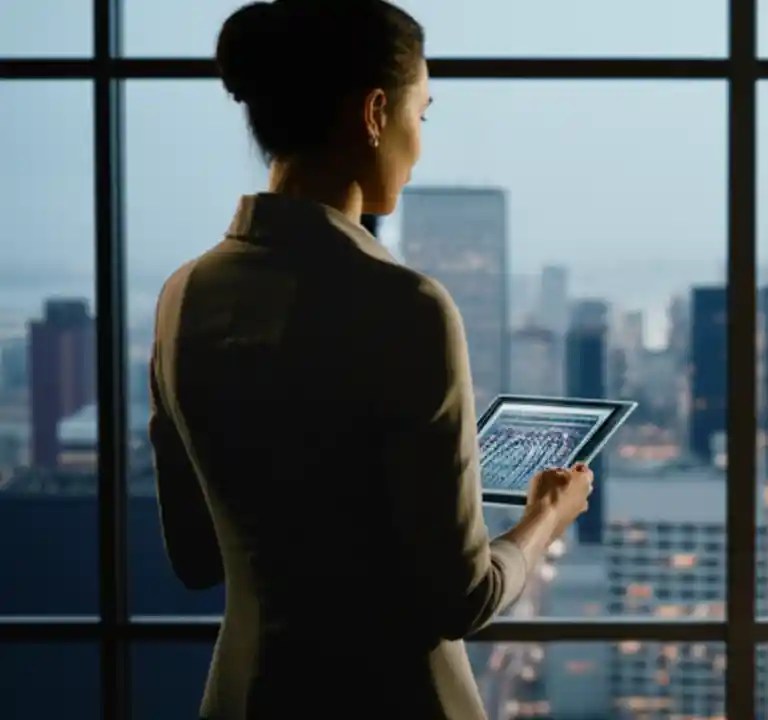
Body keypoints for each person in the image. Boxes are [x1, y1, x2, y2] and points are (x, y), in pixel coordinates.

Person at [148, 1, 593, 717]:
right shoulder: (405, 306)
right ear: (375, 113)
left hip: (246, 694)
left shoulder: (184, 295)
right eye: (423, 113)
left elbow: (196, 557)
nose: (420, 146)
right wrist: (545, 515)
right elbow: (464, 597)